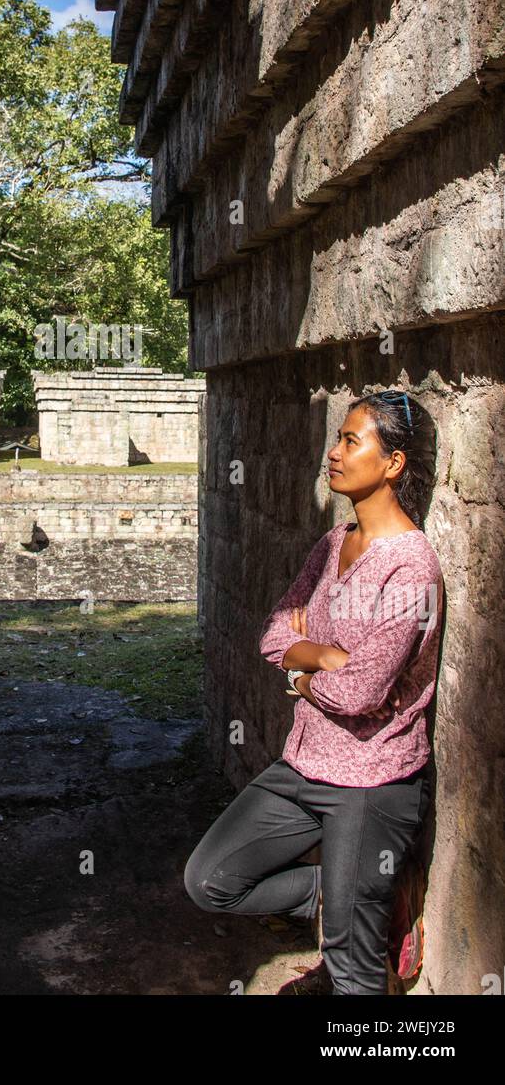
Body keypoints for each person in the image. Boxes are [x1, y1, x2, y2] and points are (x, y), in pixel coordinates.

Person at [183, 390, 443, 995]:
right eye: (338, 438)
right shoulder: (331, 546)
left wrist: (302, 675)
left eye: (352, 441)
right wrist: (320, 658)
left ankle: (361, 918)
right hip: (304, 765)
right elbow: (274, 633)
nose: (333, 452)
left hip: (373, 782)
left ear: (393, 464)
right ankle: (339, 897)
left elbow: (362, 692)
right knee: (210, 880)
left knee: (353, 970)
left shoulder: (411, 568)